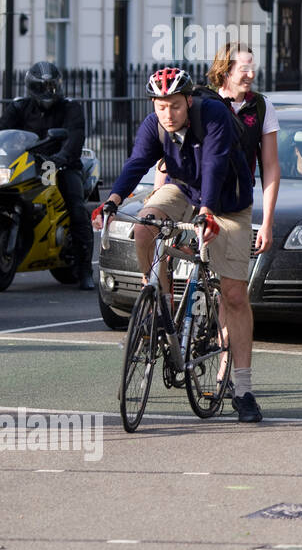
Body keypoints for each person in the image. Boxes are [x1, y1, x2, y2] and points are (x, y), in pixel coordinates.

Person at [91, 68, 261, 422]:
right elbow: (138, 161)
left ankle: (243, 389)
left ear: (188, 101)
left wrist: (208, 211)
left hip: (226, 201)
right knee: (144, 227)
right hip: (183, 188)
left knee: (232, 294)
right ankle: (159, 298)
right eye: (161, 106)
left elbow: (214, 163)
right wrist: (112, 200)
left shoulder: (212, 115)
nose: (168, 114)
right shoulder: (155, 124)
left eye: (175, 106)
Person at [0, 62, 93, 289]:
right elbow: (2, 134)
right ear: (31, 87)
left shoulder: (71, 108)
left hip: (60, 164)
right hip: (25, 164)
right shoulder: (18, 107)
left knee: (77, 208)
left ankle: (85, 270)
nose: (48, 92)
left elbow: (75, 137)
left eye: (52, 86)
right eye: (42, 87)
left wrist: (61, 158)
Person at [204, 43, 280, 255]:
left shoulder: (262, 106)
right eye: (244, 69)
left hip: (237, 201)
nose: (252, 74)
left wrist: (267, 223)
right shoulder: (204, 101)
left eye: (253, 68)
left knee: (233, 282)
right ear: (226, 70)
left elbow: (270, 166)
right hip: (199, 198)